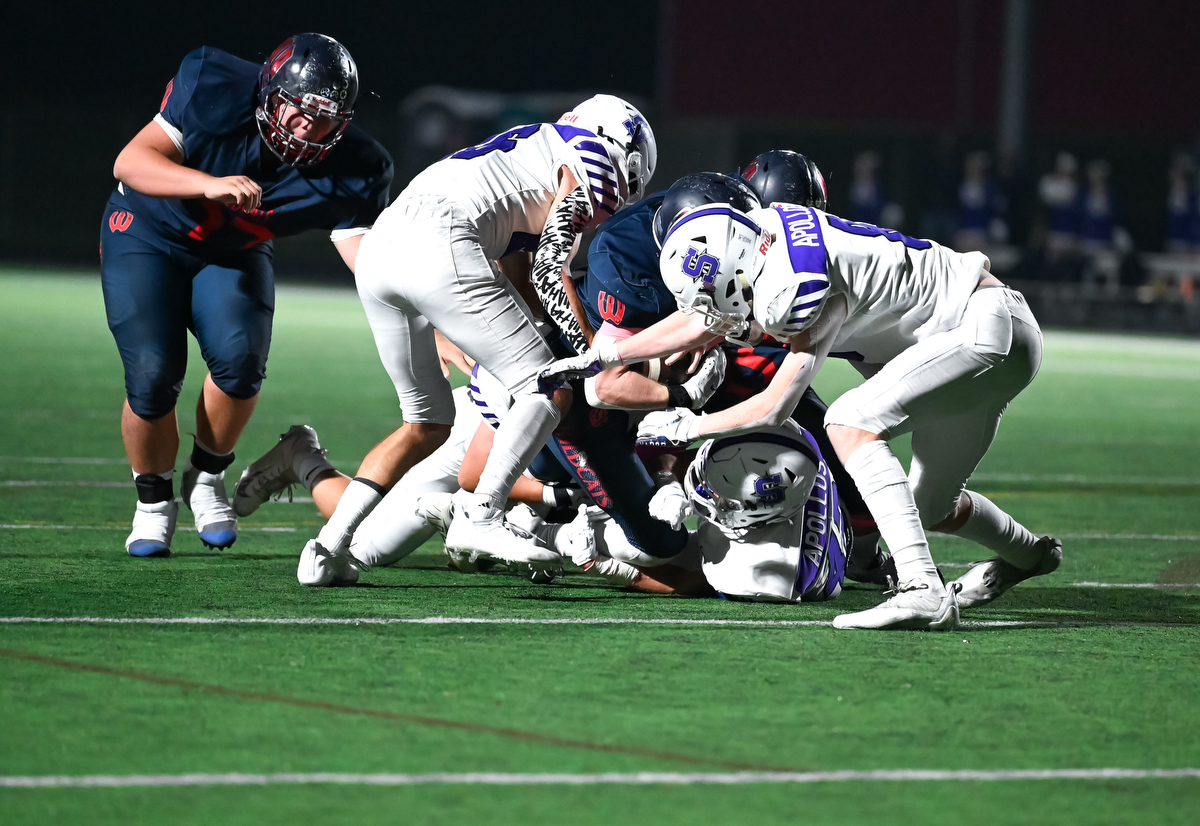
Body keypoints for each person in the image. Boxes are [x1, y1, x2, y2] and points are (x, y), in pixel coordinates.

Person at [541, 200, 1061, 631]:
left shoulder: (789, 288)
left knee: (849, 422)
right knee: (925, 509)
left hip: (981, 329)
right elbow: (702, 321)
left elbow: (776, 405)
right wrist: (606, 355)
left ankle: (921, 589)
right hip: (1002, 333)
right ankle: (1030, 555)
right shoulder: (763, 234)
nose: (713, 313)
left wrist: (690, 426)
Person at [297, 95, 657, 585]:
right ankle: (482, 515)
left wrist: (542, 332)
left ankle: (326, 550)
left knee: (425, 423)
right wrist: (599, 352)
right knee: (549, 387)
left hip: (382, 246)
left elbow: (521, 272)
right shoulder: (591, 160)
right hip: (440, 236)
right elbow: (550, 267)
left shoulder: (532, 152)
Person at [101, 34, 393, 558]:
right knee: (152, 373)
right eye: (300, 109)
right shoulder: (214, 83)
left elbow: (365, 258)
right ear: (270, 94)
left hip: (234, 250)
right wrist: (204, 183)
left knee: (240, 364)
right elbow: (130, 162)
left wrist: (427, 321)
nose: (308, 127)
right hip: (148, 233)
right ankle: (153, 503)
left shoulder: (361, 165)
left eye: (325, 118)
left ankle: (206, 476)